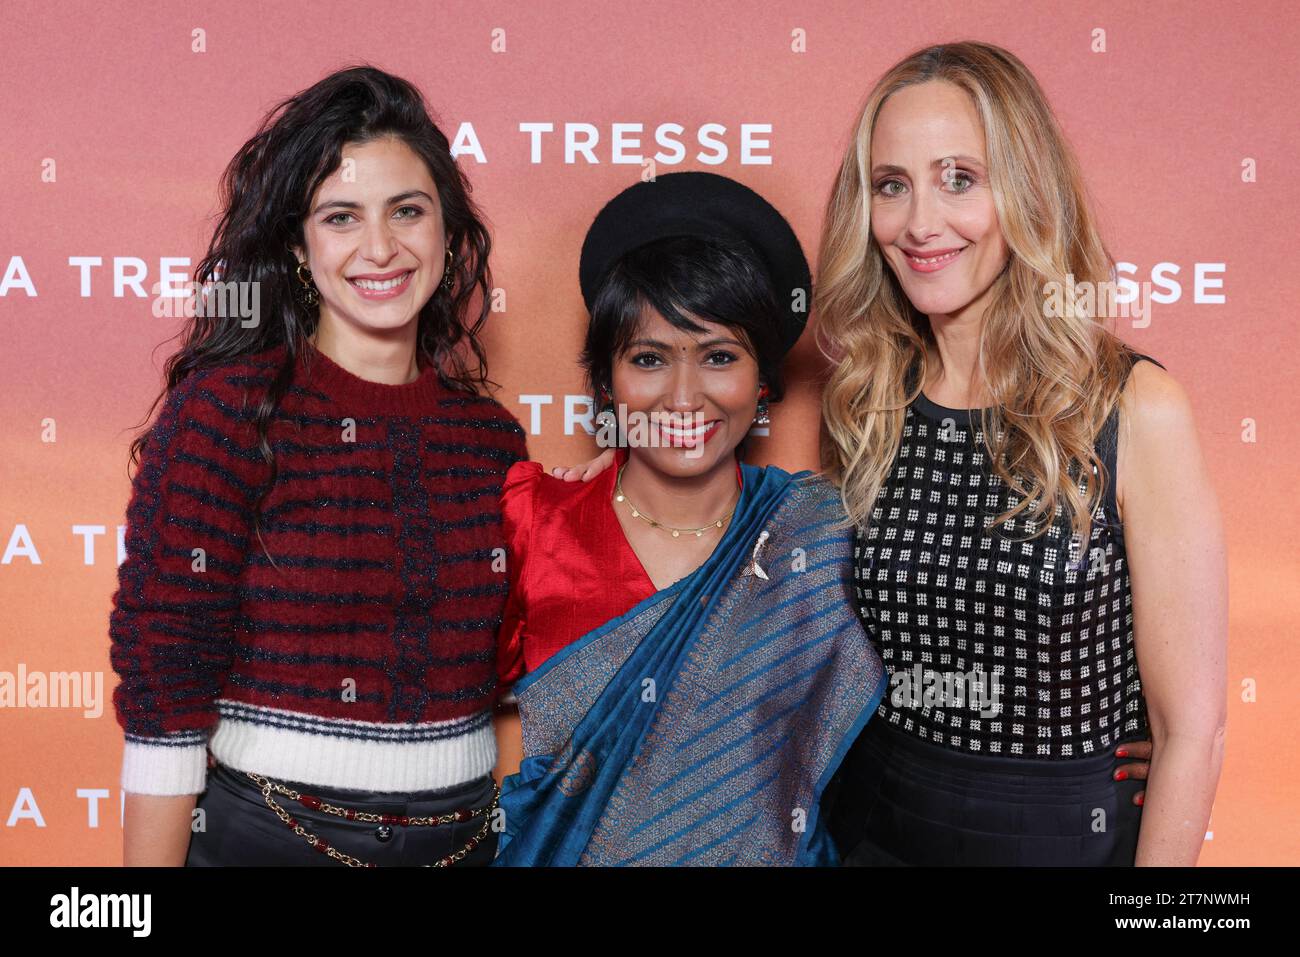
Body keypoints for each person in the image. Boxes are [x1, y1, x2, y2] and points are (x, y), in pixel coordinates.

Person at [814, 42, 1226, 865]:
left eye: (959, 178)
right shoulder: (870, 400)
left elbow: (1193, 730)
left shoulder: (1132, 406)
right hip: (874, 834)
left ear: (1026, 191)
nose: (920, 222)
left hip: (1067, 843)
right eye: (892, 186)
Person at [109, 66, 527, 866]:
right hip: (267, 838)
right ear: (300, 247)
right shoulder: (226, 412)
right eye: (342, 217)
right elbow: (167, 680)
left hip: (466, 842)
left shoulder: (491, 441)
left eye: (408, 210)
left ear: (447, 229)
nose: (381, 247)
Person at [490, 172, 887, 866]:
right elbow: (471, 738)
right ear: (607, 381)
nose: (682, 395)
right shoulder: (532, 519)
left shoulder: (821, 536)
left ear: (761, 378)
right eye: (648, 359)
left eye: (718, 357)